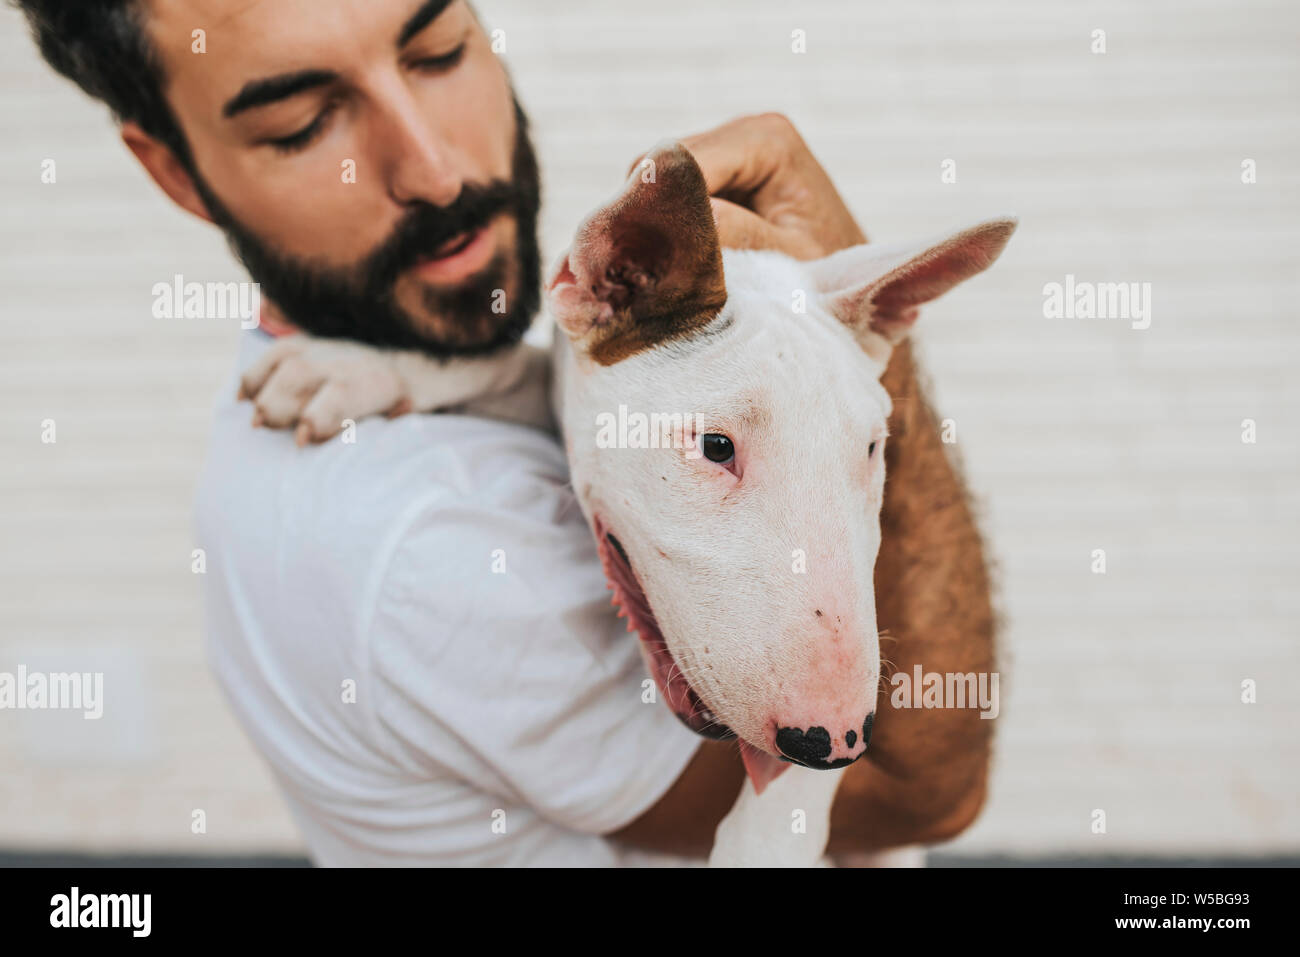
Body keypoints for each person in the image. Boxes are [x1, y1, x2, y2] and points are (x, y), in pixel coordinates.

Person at [16, 0, 996, 865]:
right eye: (303, 121)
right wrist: (876, 368)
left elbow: (565, 394)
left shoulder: (348, 375)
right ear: (173, 170)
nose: (436, 173)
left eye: (437, 49)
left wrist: (837, 356)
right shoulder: (420, 556)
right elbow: (927, 791)